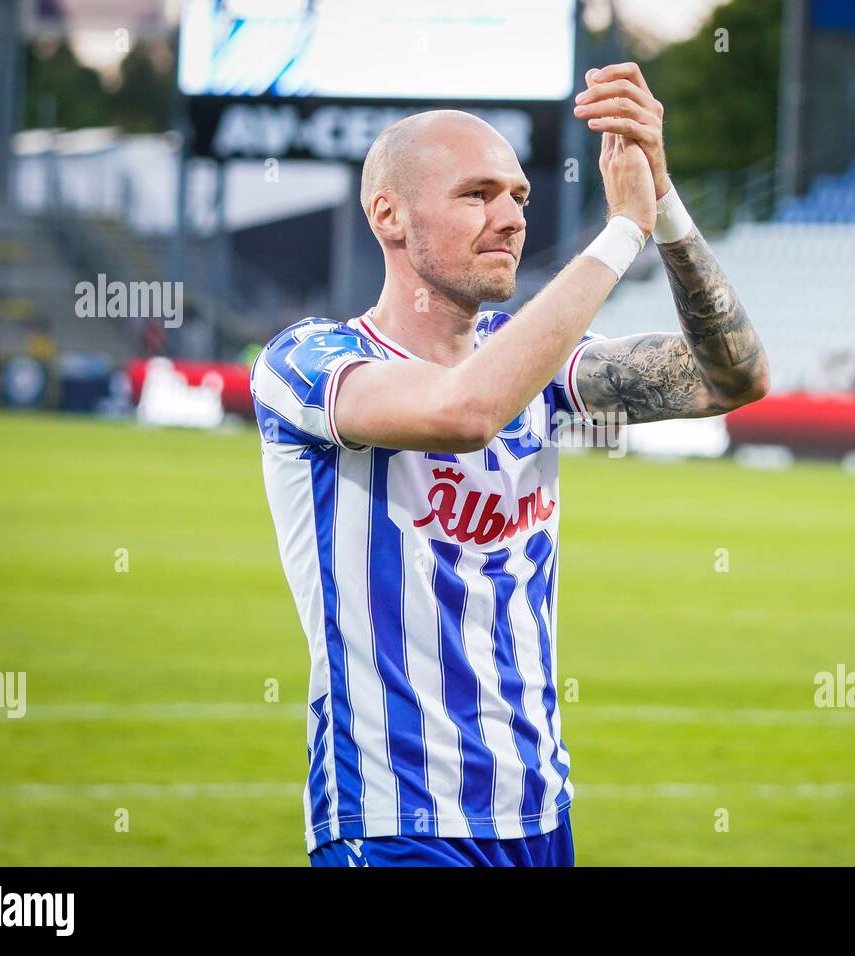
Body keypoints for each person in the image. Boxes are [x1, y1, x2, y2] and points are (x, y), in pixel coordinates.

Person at [248, 62, 770, 867]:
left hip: (537, 815)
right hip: (394, 823)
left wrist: (661, 202)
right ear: (388, 214)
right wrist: (619, 232)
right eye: (477, 194)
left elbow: (732, 378)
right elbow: (463, 412)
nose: (509, 218)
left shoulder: (536, 368)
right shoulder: (309, 361)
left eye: (520, 198)